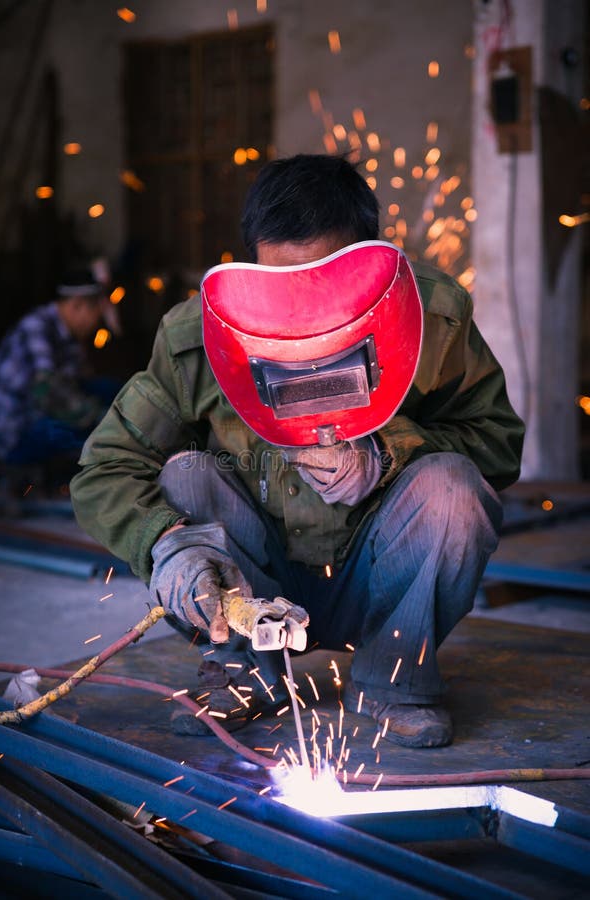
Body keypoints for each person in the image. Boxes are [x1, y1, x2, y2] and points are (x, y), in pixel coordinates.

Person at [70, 155, 525, 748]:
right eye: (281, 286)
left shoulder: (429, 317)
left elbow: (498, 442)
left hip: (379, 577)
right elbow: (104, 469)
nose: (300, 314)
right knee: (188, 475)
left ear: (368, 260)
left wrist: (389, 454)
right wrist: (164, 544)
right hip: (252, 588)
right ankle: (243, 671)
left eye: (321, 284)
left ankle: (394, 680)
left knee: (451, 488)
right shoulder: (200, 335)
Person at [0, 268, 112, 468]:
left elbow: (79, 382)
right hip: (13, 431)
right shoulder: (36, 326)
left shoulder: (70, 336)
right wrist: (99, 417)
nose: (96, 323)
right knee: (86, 439)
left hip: (38, 413)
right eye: (95, 314)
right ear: (77, 305)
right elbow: (48, 390)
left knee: (108, 388)